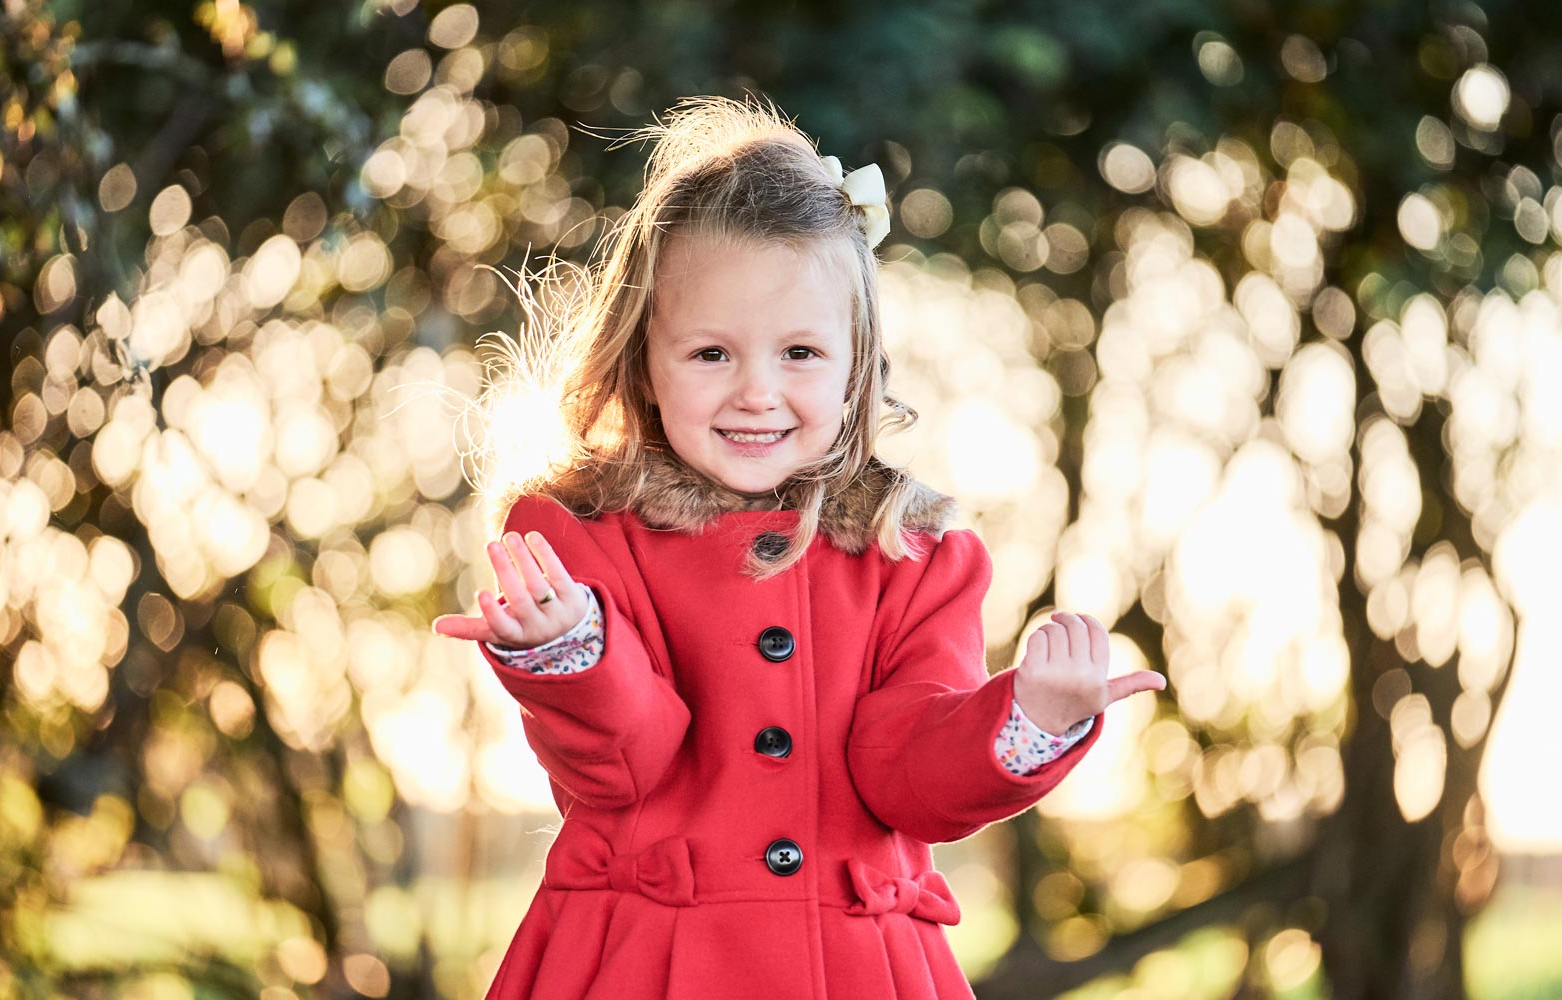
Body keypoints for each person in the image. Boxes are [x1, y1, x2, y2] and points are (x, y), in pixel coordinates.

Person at [432, 95, 1167, 1000]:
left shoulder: (916, 554)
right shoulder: (578, 536)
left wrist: (1030, 721)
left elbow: (907, 773)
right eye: (711, 354)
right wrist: (569, 649)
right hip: (639, 962)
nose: (756, 392)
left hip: (861, 969)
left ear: (857, 362)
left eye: (801, 354)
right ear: (643, 362)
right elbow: (624, 763)